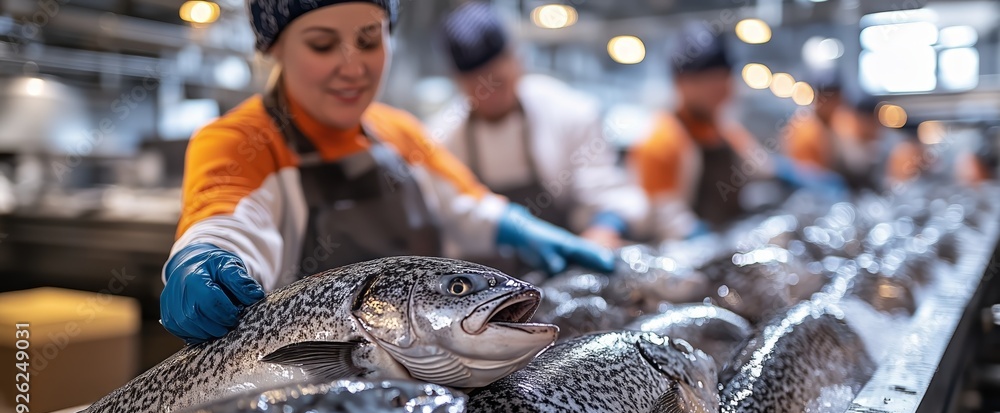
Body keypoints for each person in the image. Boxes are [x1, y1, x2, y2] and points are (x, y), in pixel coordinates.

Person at [159, 0, 615, 344]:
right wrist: (206, 256)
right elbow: (227, 219)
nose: (352, 66)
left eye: (369, 39)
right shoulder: (241, 139)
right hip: (314, 392)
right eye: (322, 44)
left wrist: (516, 227)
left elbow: (465, 206)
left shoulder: (397, 131)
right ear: (273, 47)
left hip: (428, 370)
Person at [429, 1, 648, 250]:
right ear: (458, 82)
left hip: (566, 262)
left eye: (498, 82)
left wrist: (603, 228)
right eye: (477, 87)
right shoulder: (442, 140)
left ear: (517, 60)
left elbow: (606, 192)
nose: (490, 95)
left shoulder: (569, 111)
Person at [630, 24, 840, 241]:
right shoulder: (659, 140)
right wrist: (701, 237)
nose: (722, 88)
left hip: (727, 248)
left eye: (724, 78)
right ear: (682, 83)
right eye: (709, 81)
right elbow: (664, 218)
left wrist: (799, 176)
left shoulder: (723, 129)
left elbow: (762, 166)